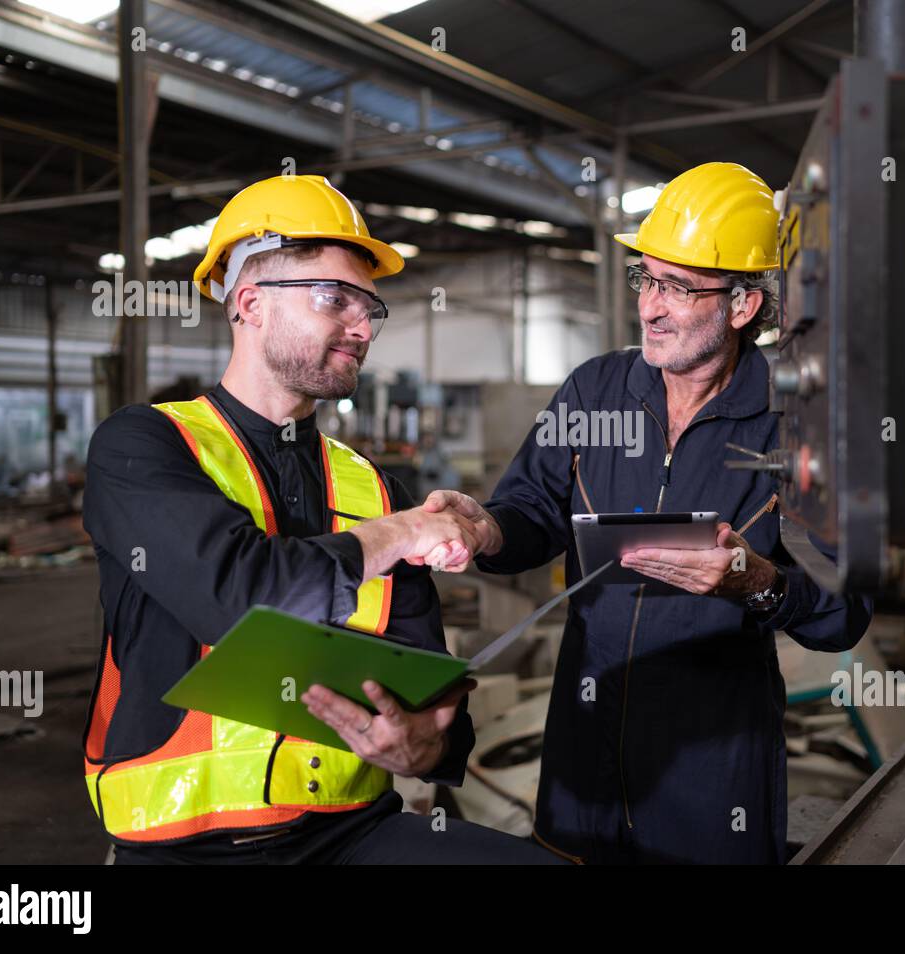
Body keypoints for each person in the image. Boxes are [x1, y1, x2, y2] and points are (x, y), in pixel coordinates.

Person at [81, 174, 560, 864]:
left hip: (352, 831)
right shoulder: (142, 447)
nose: (362, 328)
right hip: (182, 848)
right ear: (248, 302)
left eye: (370, 307)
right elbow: (238, 596)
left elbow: (426, 678)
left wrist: (426, 744)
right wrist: (400, 535)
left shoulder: (372, 485)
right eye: (335, 299)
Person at [424, 162, 874, 864]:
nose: (650, 306)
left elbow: (845, 611)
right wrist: (487, 527)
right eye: (646, 278)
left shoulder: (796, 426)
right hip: (582, 749)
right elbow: (533, 508)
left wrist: (755, 583)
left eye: (677, 287)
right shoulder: (594, 391)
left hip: (712, 770)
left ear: (743, 305)